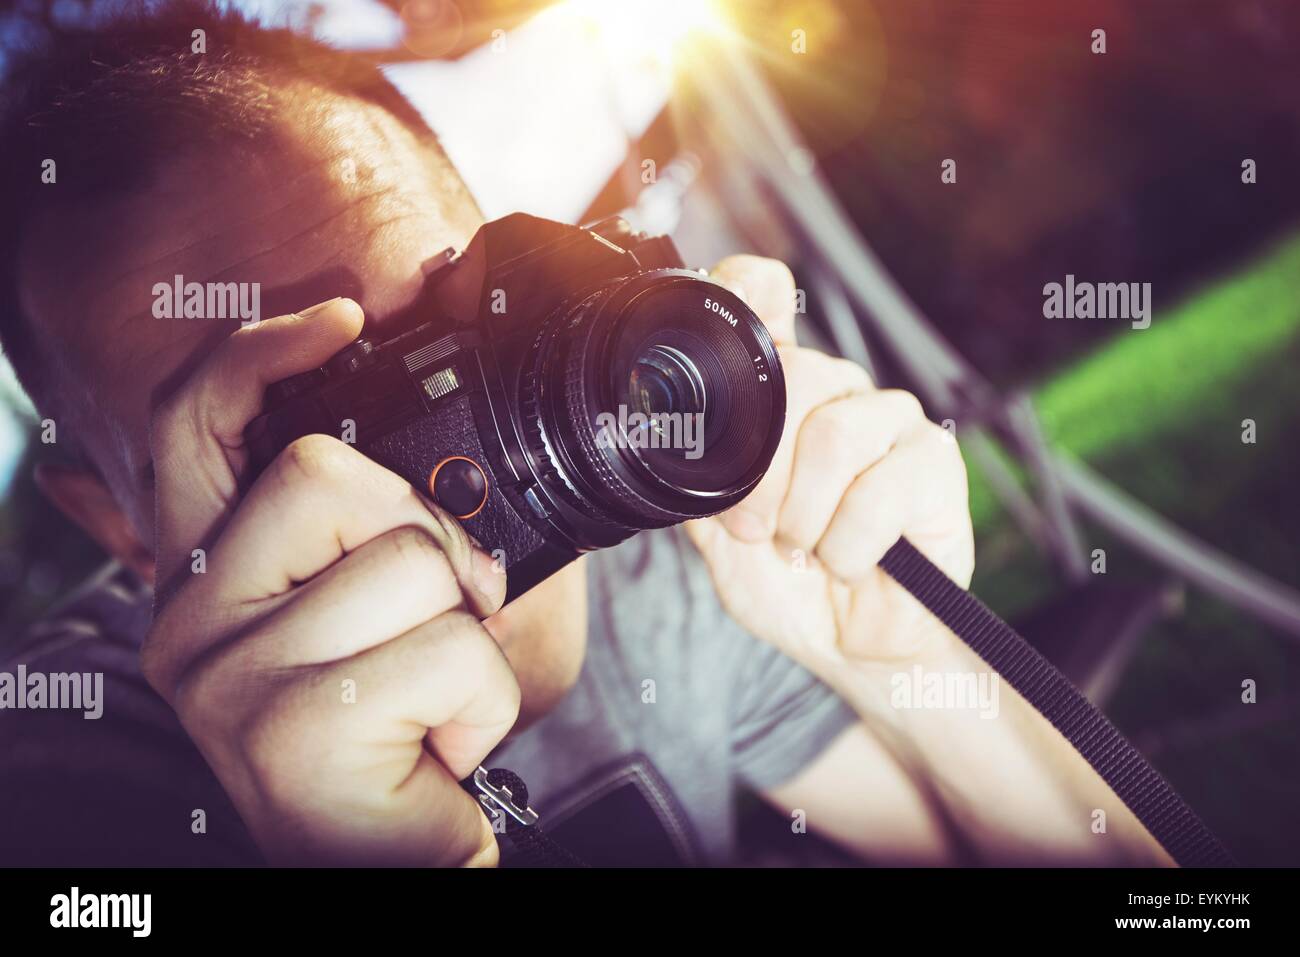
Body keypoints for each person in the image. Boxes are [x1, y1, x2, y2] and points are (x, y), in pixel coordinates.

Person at [0, 2, 1169, 866]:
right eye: (296, 421)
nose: (445, 449)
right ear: (124, 529)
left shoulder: (660, 568)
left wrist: (901, 662)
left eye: (448, 338)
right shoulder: (65, 772)